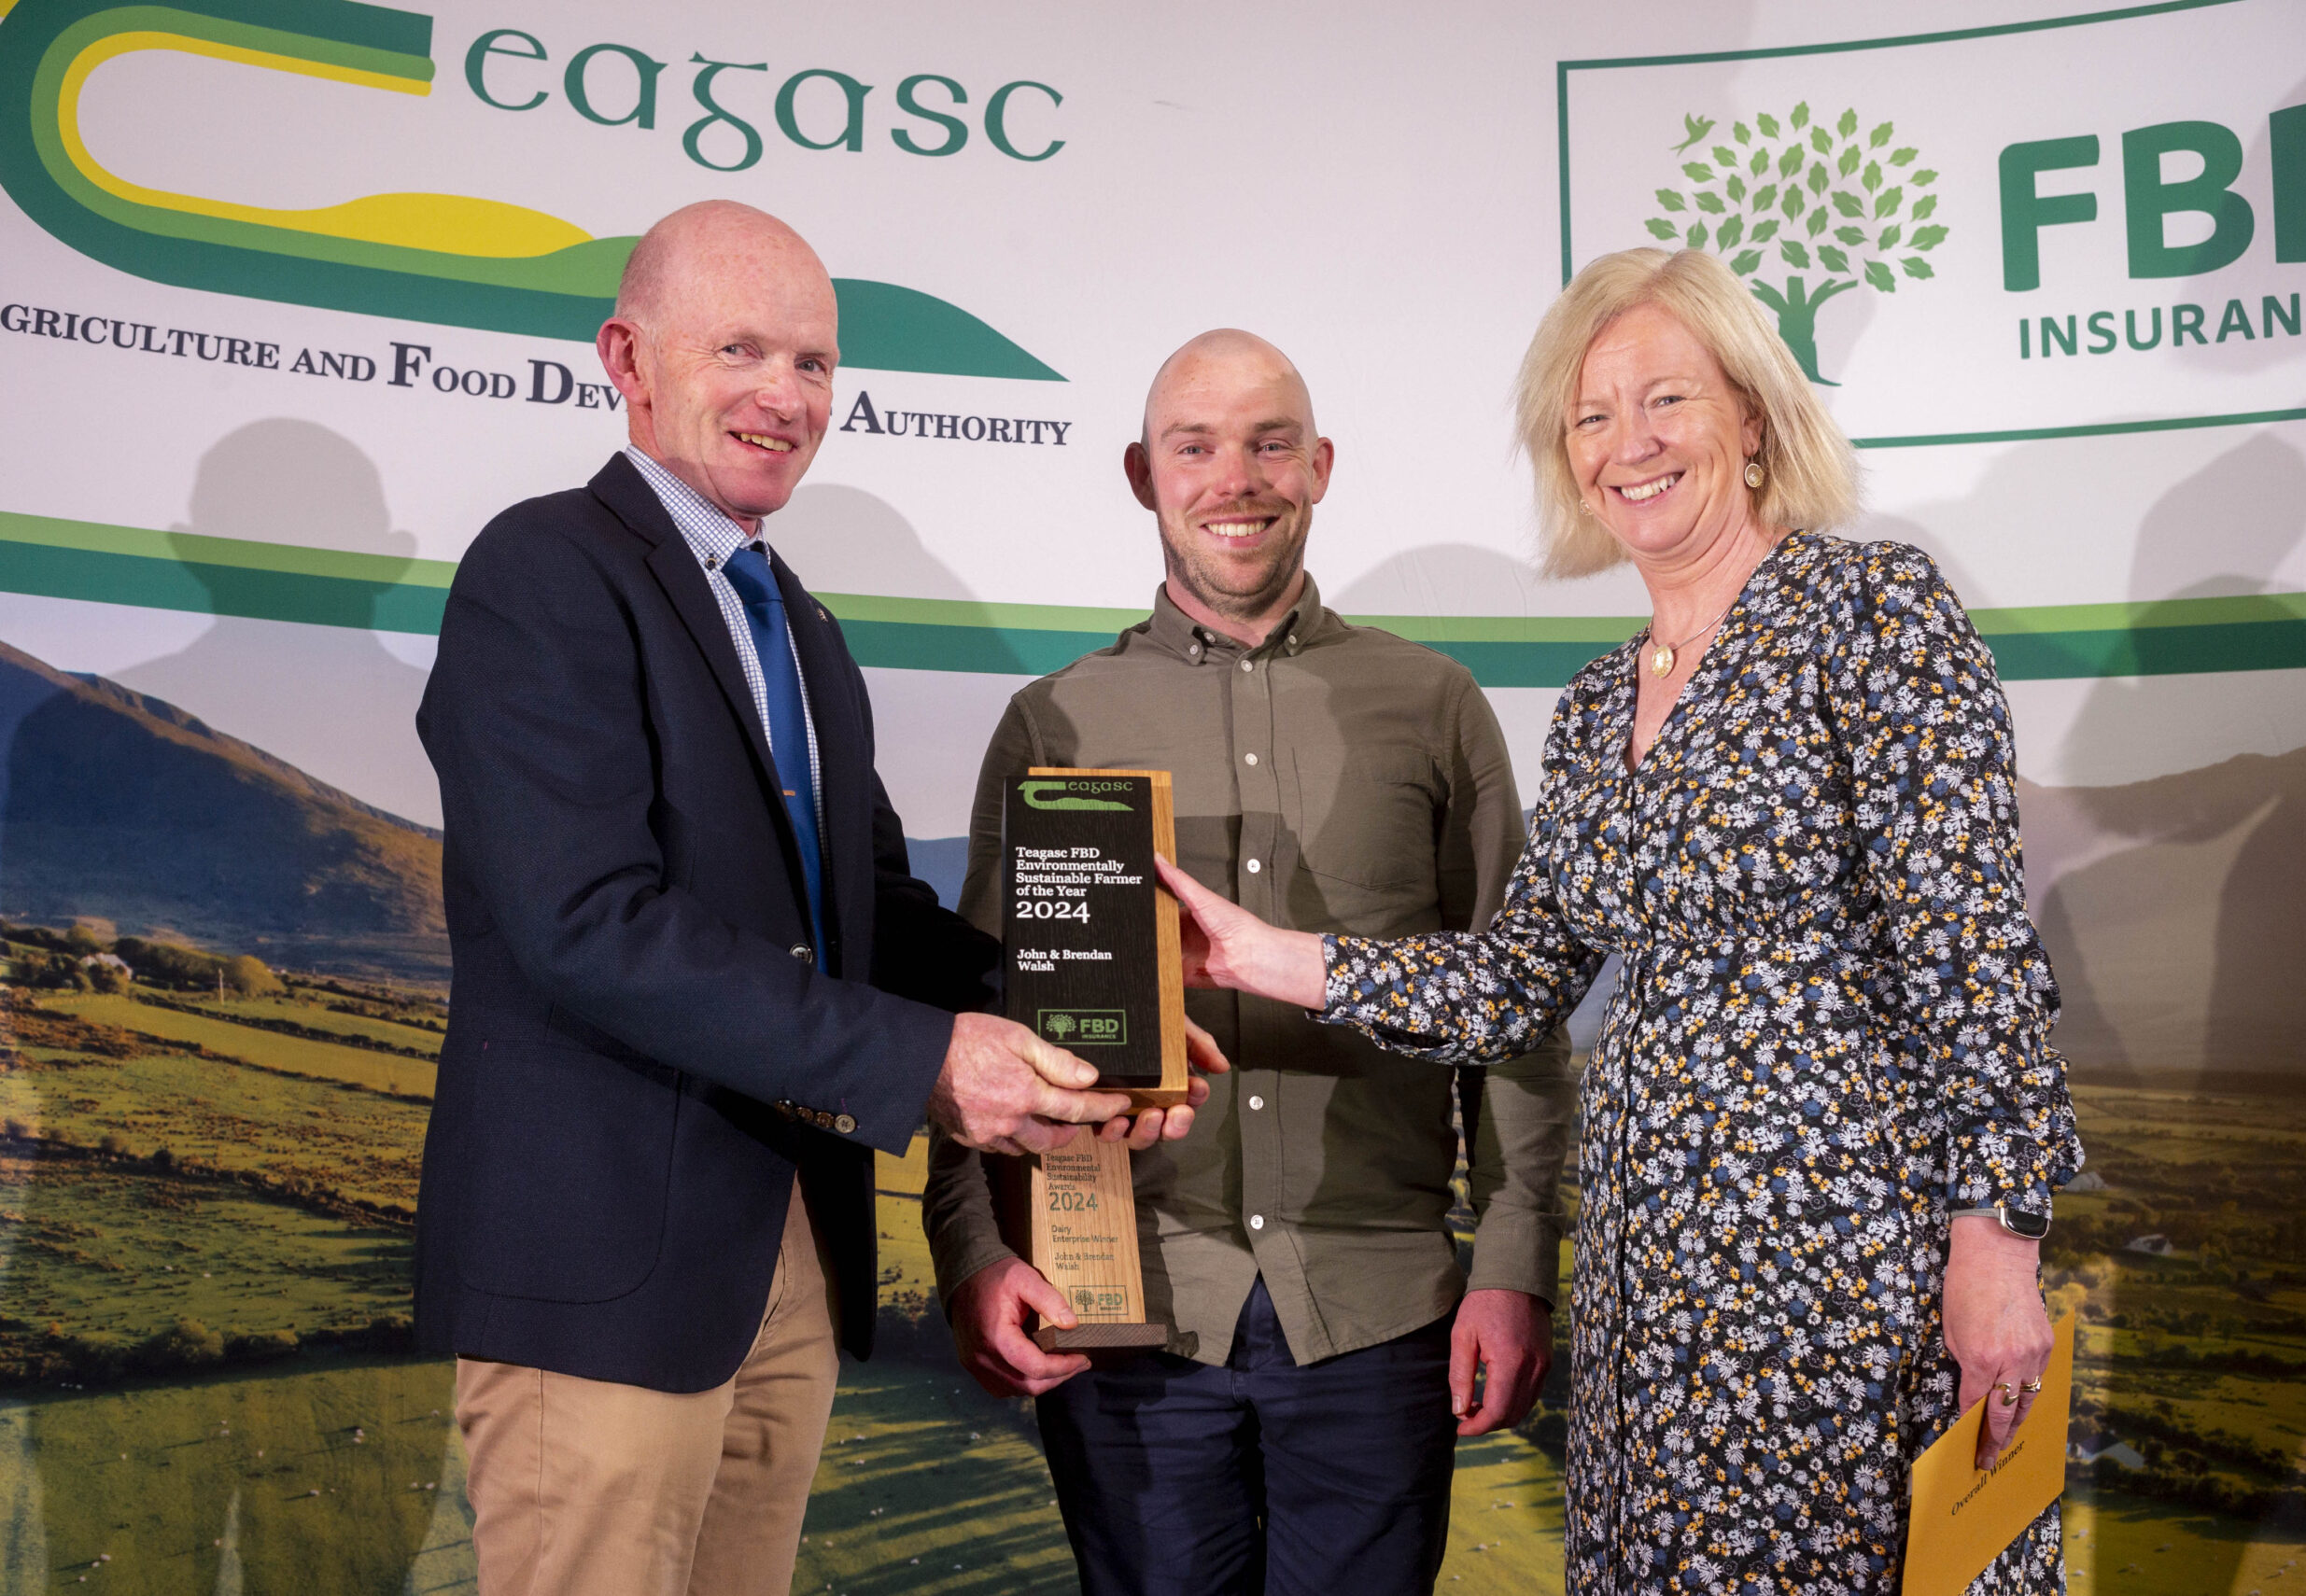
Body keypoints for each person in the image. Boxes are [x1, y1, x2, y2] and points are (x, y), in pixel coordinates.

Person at [1155, 251, 2084, 1596]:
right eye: (1591, 417)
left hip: (1844, 1270)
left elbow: (1974, 944)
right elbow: (1519, 976)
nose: (1628, 445)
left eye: (1666, 401)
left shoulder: (1871, 610)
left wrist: (1998, 1244)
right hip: (1656, 1285)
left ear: (1754, 419)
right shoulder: (1595, 704)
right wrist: (1260, 955)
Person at [412, 201, 1220, 1596]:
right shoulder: (541, 572)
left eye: (815, 363)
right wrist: (925, 1064)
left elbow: (872, 907)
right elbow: (586, 923)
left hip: (780, 1263)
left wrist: (1091, 1017)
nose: (786, 397)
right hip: (605, 1273)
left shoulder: (801, 622)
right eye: (742, 349)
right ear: (628, 356)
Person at [920, 329, 1572, 1596]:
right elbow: (981, 1019)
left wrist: (1511, 1261)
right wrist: (973, 1247)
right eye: (1196, 446)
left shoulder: (1433, 705)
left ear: (1320, 464)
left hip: (1381, 1315)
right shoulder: (1056, 720)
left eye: (1271, 443)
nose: (1238, 477)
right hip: (1130, 1306)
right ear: (1141, 473)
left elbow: (1518, 1008)